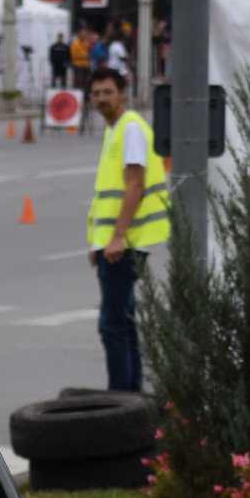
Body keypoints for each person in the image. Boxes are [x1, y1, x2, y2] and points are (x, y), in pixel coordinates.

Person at [85, 66, 169, 393]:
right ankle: (131, 395)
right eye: (96, 93)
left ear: (122, 93)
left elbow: (135, 184)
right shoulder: (115, 129)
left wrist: (118, 236)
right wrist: (97, 243)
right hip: (116, 242)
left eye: (108, 92)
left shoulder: (130, 128)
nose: (102, 99)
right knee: (125, 321)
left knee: (113, 325)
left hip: (126, 242)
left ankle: (120, 397)